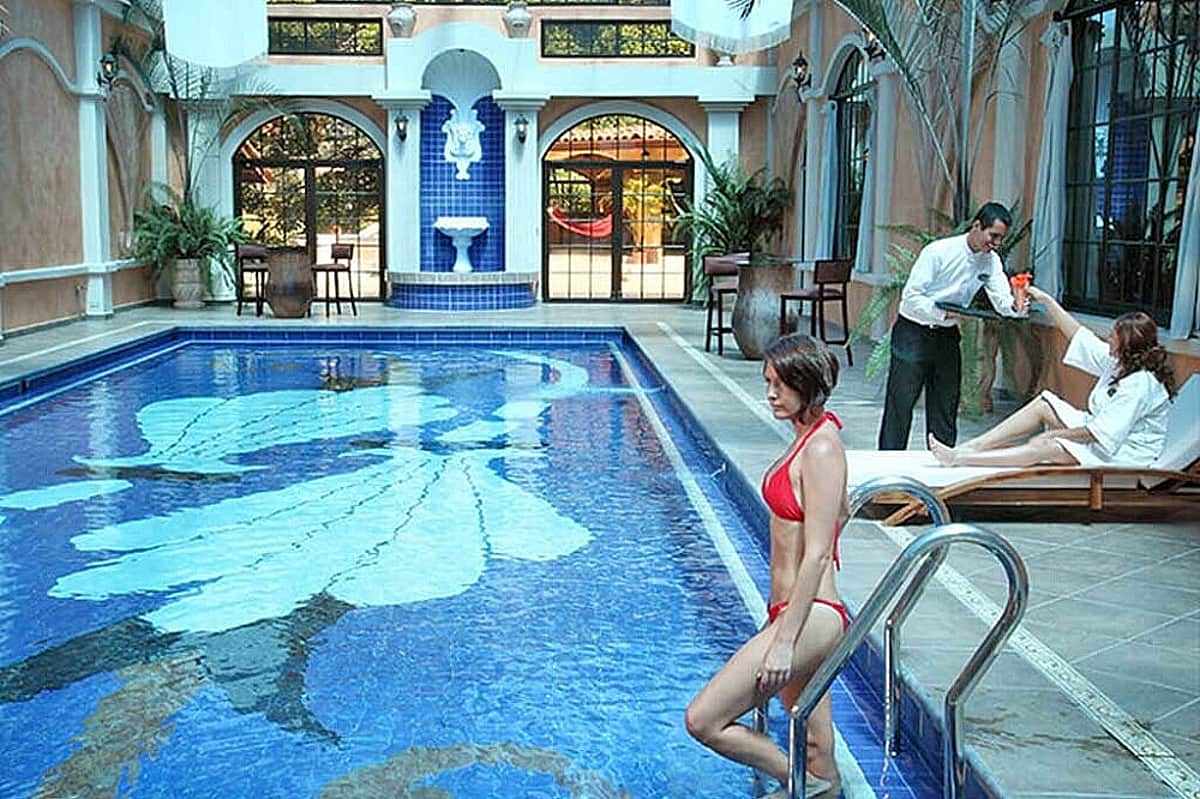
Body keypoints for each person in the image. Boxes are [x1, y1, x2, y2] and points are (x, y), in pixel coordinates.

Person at [686, 334, 848, 799]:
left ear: (808, 386)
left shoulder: (821, 447)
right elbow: (842, 511)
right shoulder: (810, 439)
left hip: (810, 614)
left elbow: (818, 551)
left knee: (704, 719)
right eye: (768, 384)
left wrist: (784, 642)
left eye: (781, 385)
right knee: (817, 744)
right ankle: (821, 784)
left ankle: (800, 782)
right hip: (793, 611)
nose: (771, 394)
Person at [929, 286, 1176, 468]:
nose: (1108, 339)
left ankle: (961, 459)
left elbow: (1100, 433)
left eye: (1114, 337)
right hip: (1101, 436)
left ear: (1129, 345)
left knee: (1045, 446)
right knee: (1044, 403)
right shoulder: (1120, 362)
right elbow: (1081, 336)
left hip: (1122, 454)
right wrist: (1047, 300)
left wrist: (1056, 434)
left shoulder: (1140, 384)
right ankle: (973, 446)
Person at [878, 202, 1029, 450]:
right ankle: (888, 469)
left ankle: (942, 466)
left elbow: (1002, 300)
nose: (996, 244)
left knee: (945, 406)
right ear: (977, 226)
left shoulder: (991, 261)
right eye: (993, 236)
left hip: (947, 336)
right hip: (913, 331)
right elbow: (911, 298)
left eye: (1001, 239)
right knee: (900, 406)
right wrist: (943, 312)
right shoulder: (938, 252)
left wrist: (1017, 306)